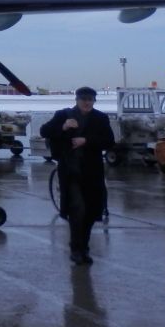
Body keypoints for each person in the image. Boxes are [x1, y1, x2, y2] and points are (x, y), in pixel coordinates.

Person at [40, 87, 116, 265]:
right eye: (84, 99)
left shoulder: (100, 118)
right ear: (77, 100)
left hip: (92, 172)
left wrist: (86, 141)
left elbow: (109, 141)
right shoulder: (63, 115)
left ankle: (84, 247)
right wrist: (63, 126)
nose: (87, 103)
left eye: (90, 100)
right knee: (77, 209)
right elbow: (44, 131)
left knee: (90, 212)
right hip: (70, 170)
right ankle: (76, 248)